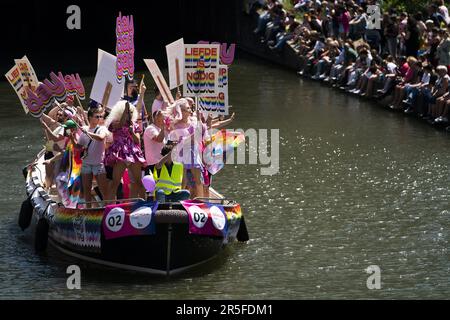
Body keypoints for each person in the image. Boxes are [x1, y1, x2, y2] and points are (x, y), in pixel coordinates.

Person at [104, 101, 147, 200]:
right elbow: (121, 124)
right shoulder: (114, 124)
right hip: (120, 154)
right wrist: (125, 111)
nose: (129, 114)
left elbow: (138, 141)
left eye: (131, 112)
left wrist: (132, 132)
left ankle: (143, 205)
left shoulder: (135, 125)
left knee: (138, 182)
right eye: (127, 112)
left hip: (133, 153)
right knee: (115, 182)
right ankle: (110, 207)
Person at [77, 107, 110, 207]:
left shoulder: (102, 129)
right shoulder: (84, 130)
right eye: (97, 116)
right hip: (86, 164)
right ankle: (88, 210)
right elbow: (78, 147)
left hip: (98, 164)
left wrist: (88, 133)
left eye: (100, 116)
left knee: (103, 190)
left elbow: (101, 138)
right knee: (87, 190)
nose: (100, 118)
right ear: (90, 118)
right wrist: (71, 135)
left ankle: (106, 209)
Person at [143, 109, 165, 176]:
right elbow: (159, 139)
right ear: (156, 117)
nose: (165, 118)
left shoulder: (160, 129)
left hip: (161, 161)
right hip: (154, 163)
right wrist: (164, 128)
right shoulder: (150, 128)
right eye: (162, 116)